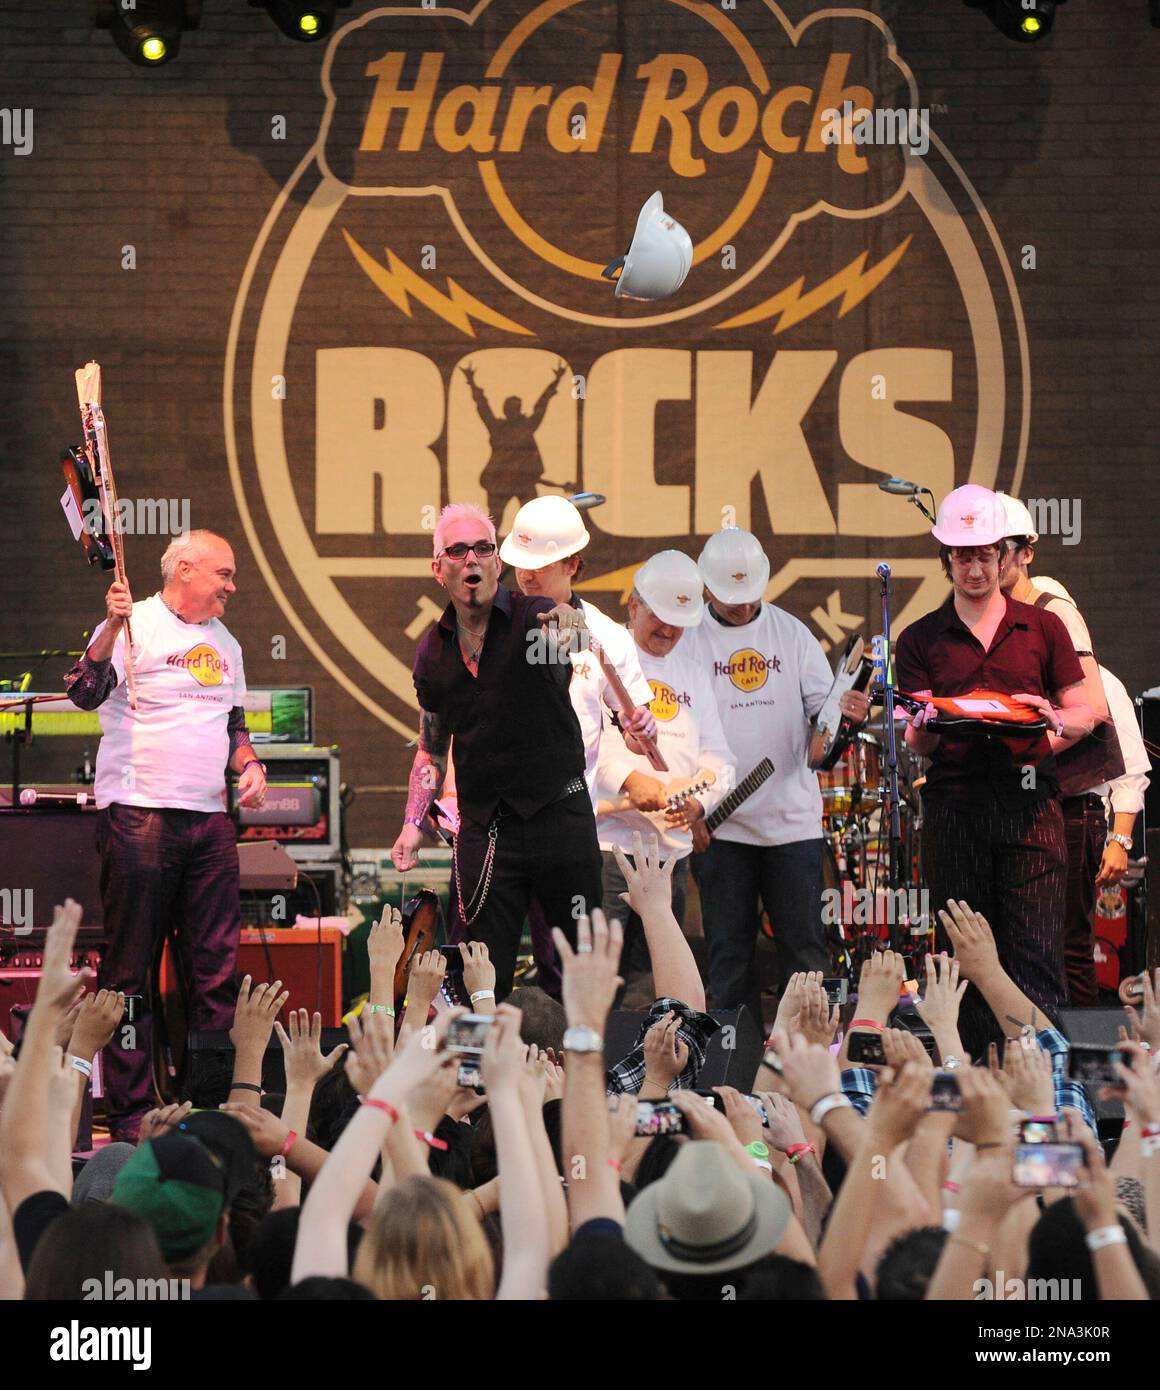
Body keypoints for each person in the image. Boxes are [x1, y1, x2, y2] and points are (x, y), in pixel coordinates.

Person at [64, 530, 266, 1142]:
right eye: (223, 574)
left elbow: (232, 725)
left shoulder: (226, 643)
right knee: (129, 971)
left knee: (213, 970)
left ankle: (207, 1105)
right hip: (139, 815)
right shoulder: (134, 624)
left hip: (208, 822)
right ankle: (128, 1115)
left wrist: (251, 765)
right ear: (184, 569)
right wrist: (106, 623)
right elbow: (83, 691)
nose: (233, 585)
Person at [895, 486, 1094, 1049]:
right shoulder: (920, 638)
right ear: (947, 561)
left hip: (1032, 807)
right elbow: (919, 740)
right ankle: (974, 1080)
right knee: (964, 956)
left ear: (1006, 556)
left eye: (985, 553)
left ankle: (1041, 1088)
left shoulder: (1043, 626)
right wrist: (926, 722)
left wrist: (1053, 715)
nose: (975, 567)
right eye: (963, 555)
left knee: (1035, 955)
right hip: (955, 809)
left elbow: (1083, 713)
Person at [391, 503, 603, 999]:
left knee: (583, 962)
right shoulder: (433, 653)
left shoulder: (534, 617)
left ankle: (581, 1071)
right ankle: (486, 1073)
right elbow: (431, 748)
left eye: (484, 548)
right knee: (479, 971)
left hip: (559, 815)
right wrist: (411, 822)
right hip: (488, 831)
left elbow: (571, 633)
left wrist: (571, 631)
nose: (472, 560)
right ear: (438, 568)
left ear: (498, 562)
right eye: (458, 550)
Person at [679, 527, 870, 1016]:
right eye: (729, 598)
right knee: (728, 960)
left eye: (749, 596)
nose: (742, 607)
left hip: (792, 824)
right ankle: (731, 1074)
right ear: (706, 587)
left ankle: (811, 1072)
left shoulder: (792, 633)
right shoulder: (687, 640)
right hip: (720, 828)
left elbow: (823, 725)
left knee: (805, 956)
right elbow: (676, 736)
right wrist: (694, 813)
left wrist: (844, 715)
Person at [594, 550, 735, 980]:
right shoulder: (600, 660)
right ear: (633, 606)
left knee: (661, 982)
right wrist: (628, 778)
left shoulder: (692, 672)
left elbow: (719, 759)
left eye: (680, 620)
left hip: (669, 859)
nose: (669, 629)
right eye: (659, 615)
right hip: (609, 853)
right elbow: (584, 742)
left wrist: (700, 804)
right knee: (602, 980)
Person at [996, 496, 1114, 1006]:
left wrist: (1026, 752)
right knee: (1022, 948)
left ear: (1026, 552)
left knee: (1065, 949)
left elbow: (1096, 708)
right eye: (976, 551)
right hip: (1031, 800)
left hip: (1068, 802)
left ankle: (1082, 1076)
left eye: (1000, 549)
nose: (989, 562)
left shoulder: (1052, 607)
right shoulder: (997, 616)